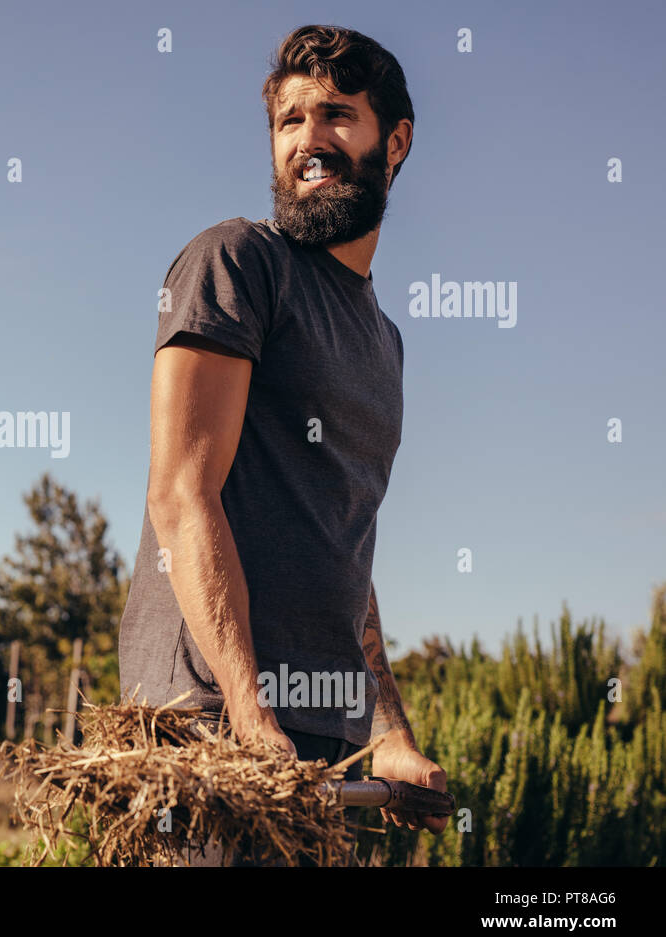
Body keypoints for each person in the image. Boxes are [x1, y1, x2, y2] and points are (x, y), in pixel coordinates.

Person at [118, 24, 448, 866]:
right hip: (207, 732)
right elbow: (180, 494)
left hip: (323, 740)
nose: (309, 139)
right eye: (289, 120)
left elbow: (347, 551)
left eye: (337, 115)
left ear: (396, 141)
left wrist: (389, 736)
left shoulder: (386, 341)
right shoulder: (235, 263)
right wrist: (248, 714)